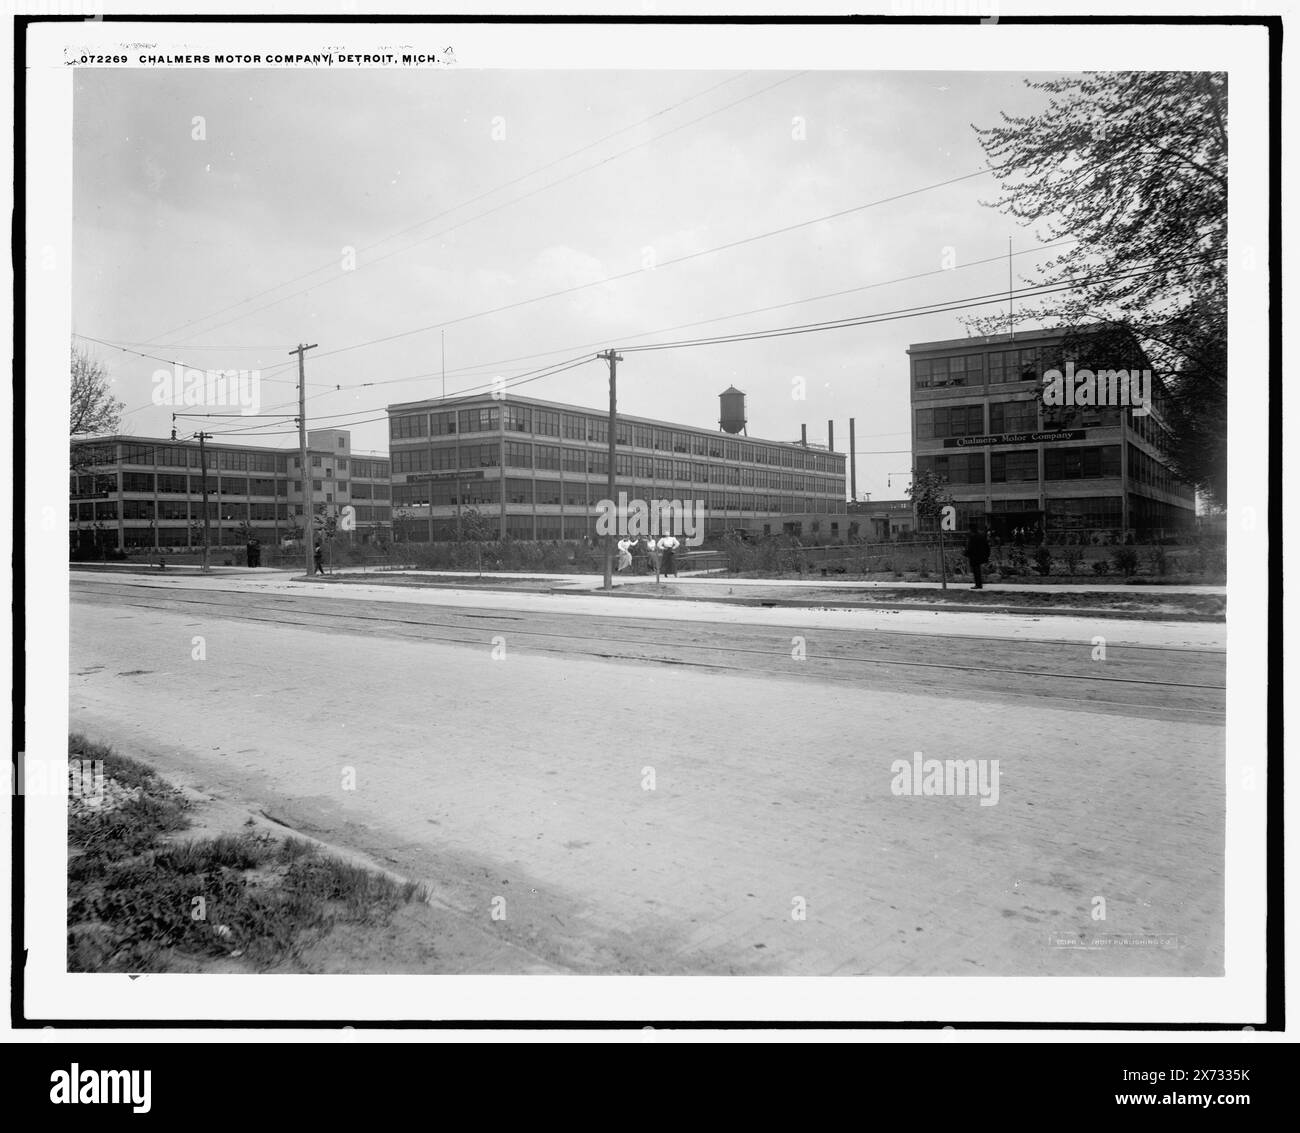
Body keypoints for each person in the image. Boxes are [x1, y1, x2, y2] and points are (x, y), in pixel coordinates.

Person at [964, 524, 990, 590]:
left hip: (974, 556)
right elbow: (986, 546)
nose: (968, 530)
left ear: (971, 530)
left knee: (976, 571)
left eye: (969, 529)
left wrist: (966, 553)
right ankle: (979, 584)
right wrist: (987, 555)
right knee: (977, 570)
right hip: (980, 555)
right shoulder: (980, 536)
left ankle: (978, 584)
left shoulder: (973, 537)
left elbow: (971, 548)